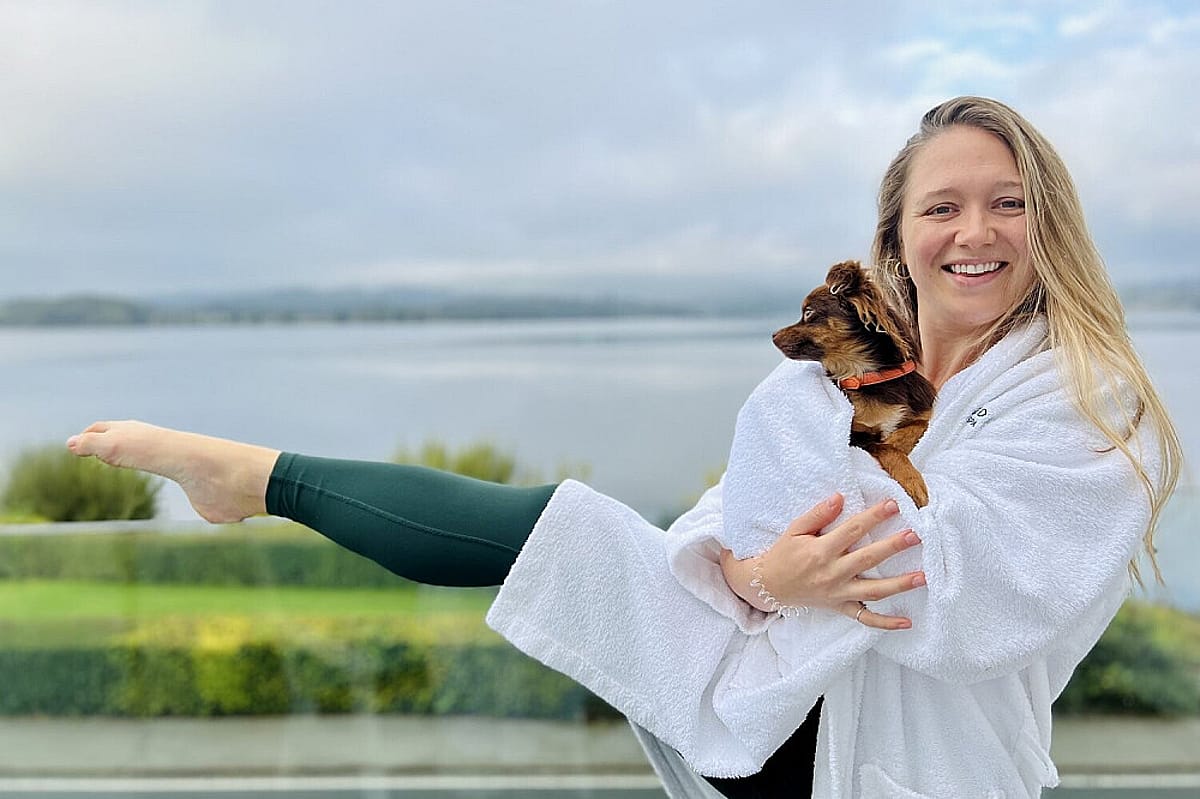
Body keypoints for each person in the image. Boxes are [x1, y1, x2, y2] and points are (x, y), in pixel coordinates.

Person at [66, 96, 1180, 798]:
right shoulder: (825, 375)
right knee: (563, 527)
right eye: (942, 208)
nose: (974, 233)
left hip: (922, 767)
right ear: (896, 236)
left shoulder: (1090, 403)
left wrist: (807, 547)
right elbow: (729, 523)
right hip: (770, 714)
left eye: (1008, 204)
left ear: (1051, 227)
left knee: (572, 535)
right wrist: (758, 572)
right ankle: (256, 475)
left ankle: (252, 477)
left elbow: (969, 592)